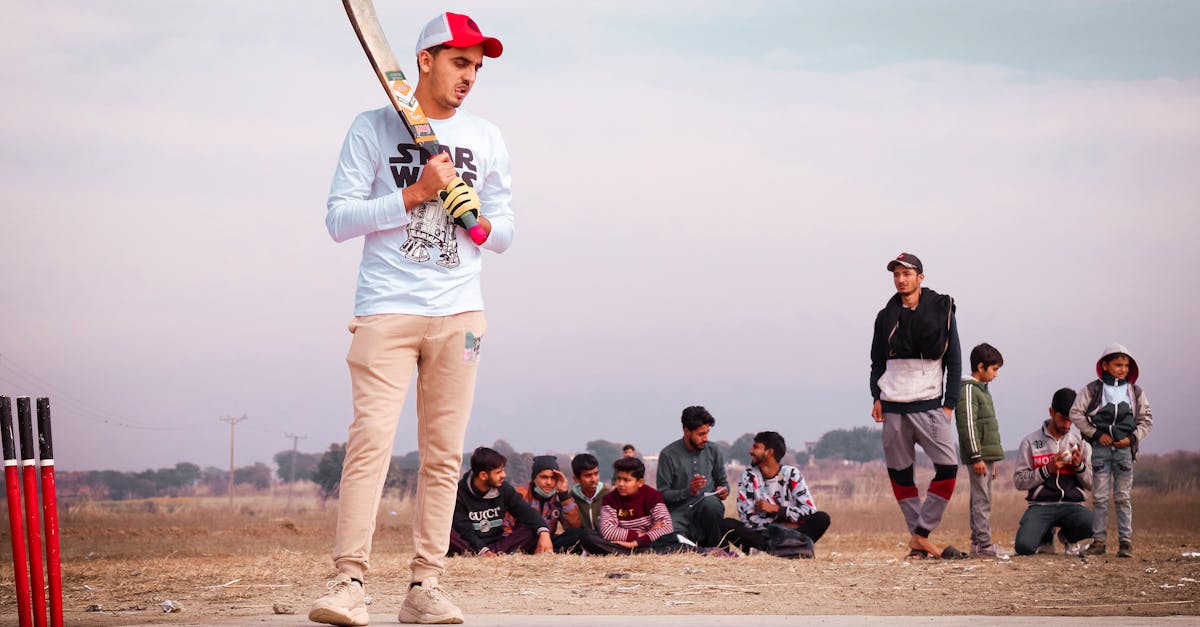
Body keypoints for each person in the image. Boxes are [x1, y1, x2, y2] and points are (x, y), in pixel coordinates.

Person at [310, 11, 513, 626]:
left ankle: (426, 585)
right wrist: (415, 194)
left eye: (476, 66)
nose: (469, 76)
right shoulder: (371, 128)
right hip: (387, 311)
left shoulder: (487, 137)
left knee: (445, 455)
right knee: (370, 444)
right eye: (459, 62)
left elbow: (504, 232)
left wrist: (476, 215)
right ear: (423, 60)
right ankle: (348, 581)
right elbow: (338, 220)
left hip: (461, 314)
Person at [869, 253, 963, 559]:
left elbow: (954, 359)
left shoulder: (941, 310)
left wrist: (949, 403)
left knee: (948, 468)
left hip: (929, 405)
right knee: (900, 475)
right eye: (896, 274)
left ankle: (921, 533)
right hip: (892, 406)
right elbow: (877, 362)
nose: (900, 279)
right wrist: (876, 396)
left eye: (907, 273)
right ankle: (918, 543)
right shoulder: (885, 317)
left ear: (920, 277)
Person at [1069, 343, 1154, 558]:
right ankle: (1099, 542)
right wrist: (1096, 434)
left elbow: (1146, 421)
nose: (1122, 369)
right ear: (1105, 365)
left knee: (1123, 498)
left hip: (1125, 452)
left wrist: (1132, 438)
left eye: (1126, 365)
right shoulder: (1093, 390)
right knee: (1099, 497)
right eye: (1118, 364)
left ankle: (1125, 543)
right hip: (1100, 450)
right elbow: (1076, 413)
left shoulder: (1135, 392)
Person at [1013, 389, 1095, 556]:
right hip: (1041, 507)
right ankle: (1045, 537)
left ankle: (1068, 536)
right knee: (1024, 547)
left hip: (1073, 506)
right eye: (1063, 419)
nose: (1067, 425)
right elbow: (1019, 481)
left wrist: (1079, 466)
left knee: (1098, 523)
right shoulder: (1030, 442)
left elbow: (1093, 484)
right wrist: (1047, 469)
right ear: (1051, 412)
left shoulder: (1081, 443)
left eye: (1071, 420)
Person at [720, 431, 831, 556]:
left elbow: (809, 510)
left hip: (792, 534)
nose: (751, 451)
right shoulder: (748, 476)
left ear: (769, 452)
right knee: (727, 524)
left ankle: (773, 551)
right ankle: (791, 550)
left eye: (756, 447)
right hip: (763, 536)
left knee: (822, 518)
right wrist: (779, 526)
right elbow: (747, 519)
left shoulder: (792, 474)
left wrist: (776, 509)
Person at [955, 342, 1009, 558]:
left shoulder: (983, 391)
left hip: (985, 457)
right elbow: (968, 425)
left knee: (982, 498)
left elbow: (987, 426)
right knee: (981, 500)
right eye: (994, 369)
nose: (996, 374)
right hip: (978, 457)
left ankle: (978, 543)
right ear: (980, 367)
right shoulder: (968, 390)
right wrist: (977, 457)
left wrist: (991, 461)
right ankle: (984, 545)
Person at [448, 447, 551, 556]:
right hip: (470, 545)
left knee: (534, 529)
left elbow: (526, 512)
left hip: (499, 544)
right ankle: (480, 554)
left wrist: (544, 532)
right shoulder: (459, 493)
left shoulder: (504, 489)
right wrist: (483, 551)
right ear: (483, 475)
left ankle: (497, 553)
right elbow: (464, 530)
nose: (503, 475)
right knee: (446, 534)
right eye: (498, 472)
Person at [656, 406, 730, 547]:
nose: (705, 438)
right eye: (701, 434)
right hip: (679, 513)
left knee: (711, 505)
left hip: (707, 508)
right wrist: (688, 491)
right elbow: (662, 495)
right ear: (686, 431)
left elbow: (723, 482)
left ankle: (717, 550)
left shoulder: (713, 450)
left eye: (707, 433)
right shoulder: (668, 454)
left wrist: (724, 490)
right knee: (670, 538)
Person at [513, 455, 617, 555]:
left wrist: (563, 494)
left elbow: (573, 527)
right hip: (523, 540)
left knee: (582, 535)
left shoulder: (558, 497)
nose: (549, 482)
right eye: (544, 477)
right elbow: (507, 528)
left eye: (553, 478)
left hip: (548, 541)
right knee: (528, 533)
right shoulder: (520, 495)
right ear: (534, 478)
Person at [600, 457, 687, 553]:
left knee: (673, 537)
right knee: (587, 536)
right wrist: (642, 534)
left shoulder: (653, 496)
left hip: (649, 543)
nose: (620, 484)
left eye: (626, 480)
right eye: (618, 479)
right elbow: (607, 531)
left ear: (640, 482)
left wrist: (636, 543)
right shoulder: (609, 499)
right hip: (620, 545)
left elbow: (666, 528)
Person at [570, 453, 610, 531]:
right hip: (583, 540)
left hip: (607, 541)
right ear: (576, 479)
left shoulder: (609, 496)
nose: (594, 479)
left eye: (596, 474)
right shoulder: (571, 500)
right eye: (588, 475)